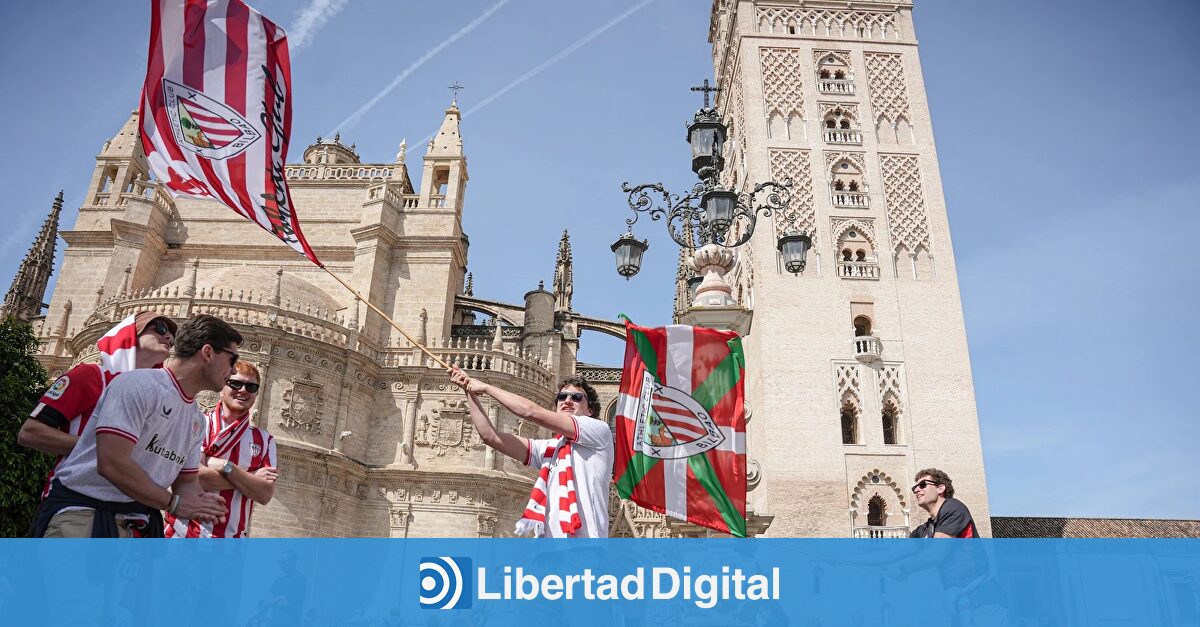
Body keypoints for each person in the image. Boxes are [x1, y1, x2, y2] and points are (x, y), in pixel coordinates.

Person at [30, 314, 239, 538]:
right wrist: (172, 502)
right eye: (232, 359)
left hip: (136, 521)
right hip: (84, 513)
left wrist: (202, 502)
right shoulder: (135, 385)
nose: (233, 371)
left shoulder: (196, 419)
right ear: (207, 352)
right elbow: (112, 464)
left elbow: (186, 482)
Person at [18, 312, 177, 499]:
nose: (169, 337)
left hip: (129, 511)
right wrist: (101, 446)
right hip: (76, 502)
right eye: (159, 328)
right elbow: (30, 433)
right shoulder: (91, 376)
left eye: (172, 338)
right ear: (132, 333)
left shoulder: (156, 399)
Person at [448, 366, 613, 538]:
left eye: (576, 397)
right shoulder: (550, 448)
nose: (568, 400)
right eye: (562, 397)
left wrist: (486, 387)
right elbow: (490, 436)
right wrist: (469, 391)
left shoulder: (599, 431)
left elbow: (531, 412)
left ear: (590, 410)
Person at [165, 361, 278, 538]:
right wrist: (251, 477)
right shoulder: (198, 423)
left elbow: (264, 494)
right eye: (235, 383)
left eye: (251, 386)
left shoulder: (265, 440)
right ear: (222, 386)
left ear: (256, 393)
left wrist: (226, 466)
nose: (243, 390)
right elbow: (194, 477)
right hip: (183, 536)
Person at [909, 468, 978, 538]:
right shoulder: (923, 530)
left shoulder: (954, 507)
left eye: (922, 485)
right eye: (914, 488)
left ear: (940, 488)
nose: (916, 490)